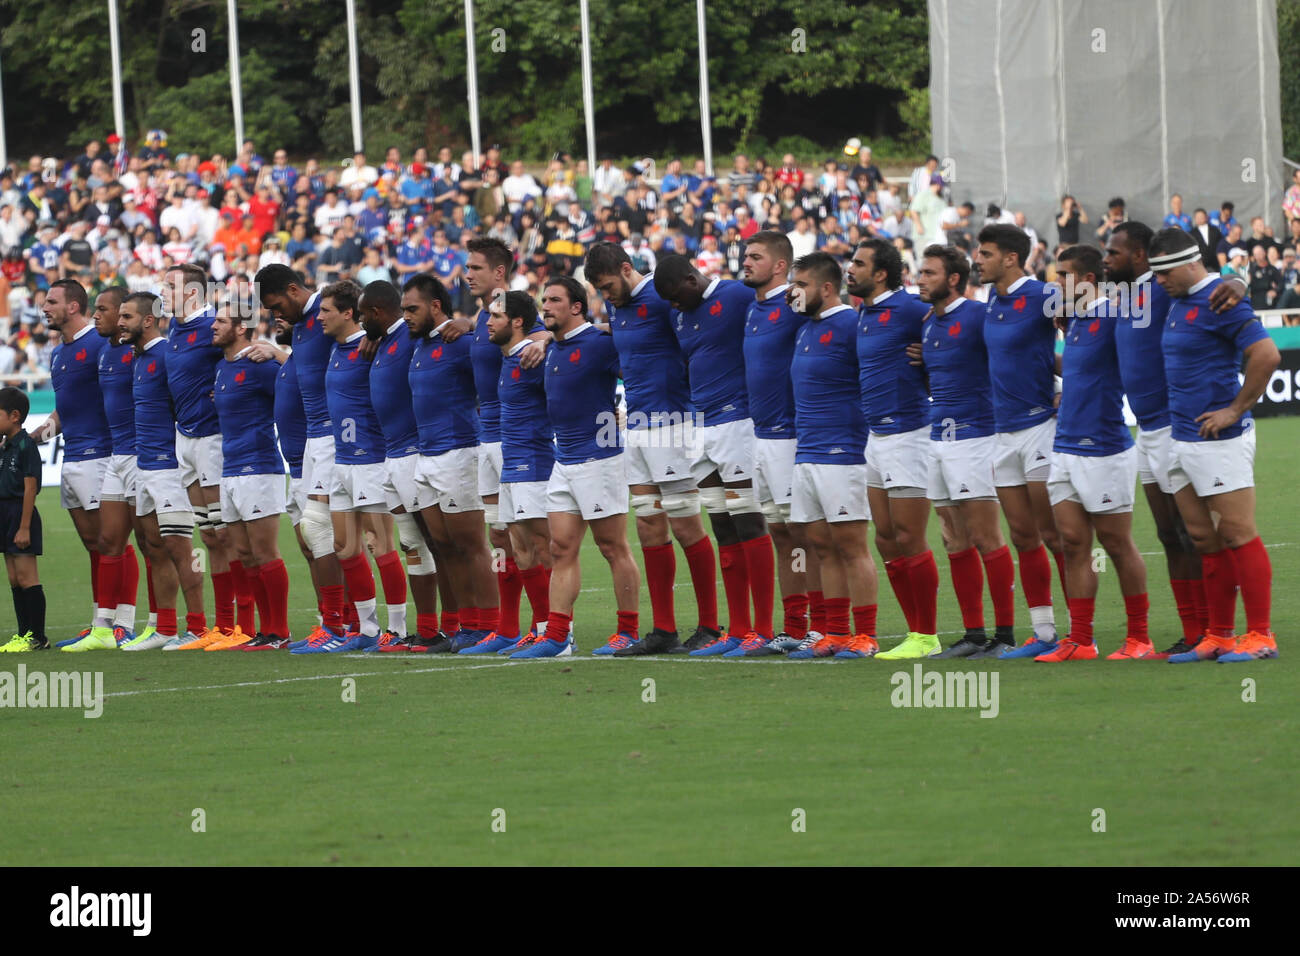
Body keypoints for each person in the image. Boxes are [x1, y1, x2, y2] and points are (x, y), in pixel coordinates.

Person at [1103, 220, 1246, 658]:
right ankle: (1192, 631)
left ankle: (1213, 629)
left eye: (1114, 251)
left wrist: (1237, 281)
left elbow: (1212, 288)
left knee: (1192, 533)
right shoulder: (1124, 297)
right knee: (1168, 534)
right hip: (1145, 428)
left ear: (1140, 256)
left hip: (1175, 424)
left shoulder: (1164, 290)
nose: (1107, 259)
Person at [1148, 228, 1281, 663]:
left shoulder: (1221, 300)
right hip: (1181, 437)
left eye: (1165, 271)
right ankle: (1219, 636)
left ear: (1190, 263)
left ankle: (1261, 636)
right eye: (1155, 272)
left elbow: (1267, 355)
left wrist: (1235, 409)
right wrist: (1237, 274)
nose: (1159, 280)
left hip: (1219, 438)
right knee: (1204, 538)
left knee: (1238, 533)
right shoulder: (1176, 297)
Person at [584, 241, 718, 656]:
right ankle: (664, 630)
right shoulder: (616, 307)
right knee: (648, 526)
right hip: (637, 424)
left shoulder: (663, 298)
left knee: (685, 525)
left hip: (675, 422)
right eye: (600, 291)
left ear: (627, 269)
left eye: (608, 286)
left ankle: (711, 626)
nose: (606, 296)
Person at [653, 255, 773, 656]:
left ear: (692, 279)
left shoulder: (737, 296)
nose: (673, 306)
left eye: (675, 297)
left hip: (737, 422)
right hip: (699, 427)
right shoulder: (681, 315)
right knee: (722, 526)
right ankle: (737, 629)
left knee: (750, 524)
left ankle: (765, 628)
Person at [1037, 245, 1150, 661]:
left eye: (1063, 275)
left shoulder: (1118, 315)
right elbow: (1083, 370)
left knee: (1117, 545)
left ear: (1086, 281)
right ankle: (1081, 640)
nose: (1056, 283)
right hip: (1065, 445)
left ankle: (1139, 637)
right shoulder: (1078, 320)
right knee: (1072, 543)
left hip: (1104, 446)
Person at [524, 276, 638, 658]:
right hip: (564, 460)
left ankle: (628, 632)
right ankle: (557, 637)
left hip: (601, 460)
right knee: (560, 548)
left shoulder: (601, 344)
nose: (546, 307)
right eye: (544, 300)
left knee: (612, 547)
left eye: (554, 300)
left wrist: (631, 417)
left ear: (576, 306)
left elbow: (637, 373)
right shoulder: (551, 348)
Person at [911, 245, 1015, 658]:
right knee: (954, 538)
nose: (920, 279)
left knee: (986, 536)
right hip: (939, 438)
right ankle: (973, 634)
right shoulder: (928, 324)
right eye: (920, 272)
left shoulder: (977, 316)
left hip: (976, 437)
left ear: (953, 279)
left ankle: (1004, 635)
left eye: (929, 273)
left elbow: (1008, 359)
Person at [782, 253, 879, 659]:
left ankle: (867, 636)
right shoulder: (806, 329)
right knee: (820, 546)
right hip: (807, 451)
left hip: (844, 452)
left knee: (851, 545)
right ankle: (836, 633)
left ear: (825, 288)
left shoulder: (852, 325)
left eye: (800, 284)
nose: (793, 292)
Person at [848, 238, 941, 660]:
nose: (850, 269)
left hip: (909, 434)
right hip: (874, 436)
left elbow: (947, 335)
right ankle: (912, 632)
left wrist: (931, 354)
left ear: (881, 273)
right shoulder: (863, 314)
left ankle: (927, 634)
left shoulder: (908, 308)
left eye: (859, 263)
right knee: (885, 538)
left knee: (909, 536)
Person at [292, 279, 396, 653]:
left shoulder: (374, 348)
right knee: (342, 544)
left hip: (371, 457)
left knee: (381, 543)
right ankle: (361, 629)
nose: (317, 317)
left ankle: (396, 630)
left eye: (325, 311)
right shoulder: (335, 349)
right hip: (339, 456)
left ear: (348, 314)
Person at [975, 224, 1063, 656]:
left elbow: (1099, 324)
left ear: (1011, 258)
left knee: (1055, 534)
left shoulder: (1044, 295)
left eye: (986, 253)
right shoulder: (992, 298)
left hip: (1040, 427)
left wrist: (1070, 384)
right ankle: (1043, 633)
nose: (978, 259)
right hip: (1001, 433)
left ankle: (1081, 631)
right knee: (1023, 538)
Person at [403, 273, 499, 652]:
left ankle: (492, 627)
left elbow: (497, 351)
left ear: (436, 306)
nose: (407, 316)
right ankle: (468, 626)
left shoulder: (461, 342)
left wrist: (472, 325)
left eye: (413, 309)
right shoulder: (419, 346)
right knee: (443, 546)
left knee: (471, 544)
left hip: (459, 451)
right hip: (425, 455)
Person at [255, 264, 347, 647]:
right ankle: (329, 621)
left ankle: (344, 625)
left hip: (330, 438)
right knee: (310, 541)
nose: (275, 314)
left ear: (294, 290)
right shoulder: (299, 333)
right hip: (304, 448)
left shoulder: (324, 315)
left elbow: (362, 322)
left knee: (324, 533)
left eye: (277, 305)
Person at [737, 230, 820, 655]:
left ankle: (824, 626)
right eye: (744, 255)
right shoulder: (753, 310)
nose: (745, 261)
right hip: (760, 436)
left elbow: (841, 313)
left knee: (805, 534)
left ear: (781, 266)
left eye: (755, 256)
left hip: (791, 435)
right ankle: (794, 626)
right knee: (781, 535)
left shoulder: (795, 304)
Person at [161, 263, 250, 650]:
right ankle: (221, 626)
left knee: (226, 534)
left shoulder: (215, 326)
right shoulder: (174, 330)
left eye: (170, 286)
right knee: (210, 536)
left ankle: (241, 626)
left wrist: (225, 391)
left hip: (214, 438)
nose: (162, 292)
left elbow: (244, 354)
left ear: (192, 294)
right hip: (186, 440)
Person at [357, 280, 448, 653]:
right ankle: (427, 630)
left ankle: (456, 626)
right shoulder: (384, 342)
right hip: (391, 457)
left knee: (436, 542)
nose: (361, 325)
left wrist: (465, 324)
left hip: (415, 453)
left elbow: (448, 331)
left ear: (377, 313)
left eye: (364, 316)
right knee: (412, 543)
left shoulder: (412, 338)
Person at [462, 290, 555, 655]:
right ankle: (511, 628)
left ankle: (553, 628)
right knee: (505, 540)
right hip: (491, 444)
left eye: (495, 317)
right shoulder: (499, 353)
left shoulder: (535, 353)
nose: (488, 322)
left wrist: (546, 339)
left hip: (524, 452)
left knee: (537, 542)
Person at [118, 291, 207, 650]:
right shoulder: (137, 358)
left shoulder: (168, 355)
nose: (120, 323)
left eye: (127, 317)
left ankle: (199, 627)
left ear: (148, 320)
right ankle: (166, 629)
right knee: (153, 547)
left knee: (179, 548)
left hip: (171, 466)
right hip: (145, 465)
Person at [210, 294, 291, 650]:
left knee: (264, 552)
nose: (213, 326)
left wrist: (278, 354)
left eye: (221, 321)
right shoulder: (222, 367)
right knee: (242, 554)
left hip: (259, 468)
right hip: (230, 470)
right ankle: (263, 631)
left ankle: (280, 631)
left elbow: (294, 394)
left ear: (241, 328)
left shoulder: (260, 364)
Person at [36, 279, 114, 648]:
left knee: (110, 542)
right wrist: (39, 433)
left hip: (102, 455)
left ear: (73, 306)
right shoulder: (58, 353)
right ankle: (100, 619)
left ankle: (116, 623)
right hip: (73, 454)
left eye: (51, 301)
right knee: (91, 543)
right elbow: (64, 410)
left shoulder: (99, 343)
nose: (44, 307)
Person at [0, 388, 48, 652]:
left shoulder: (25, 445)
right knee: (14, 578)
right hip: (4, 513)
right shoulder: (5, 444)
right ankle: (22, 634)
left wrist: (25, 526)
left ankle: (38, 637)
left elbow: (30, 488)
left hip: (20, 513)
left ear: (15, 416)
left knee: (27, 578)